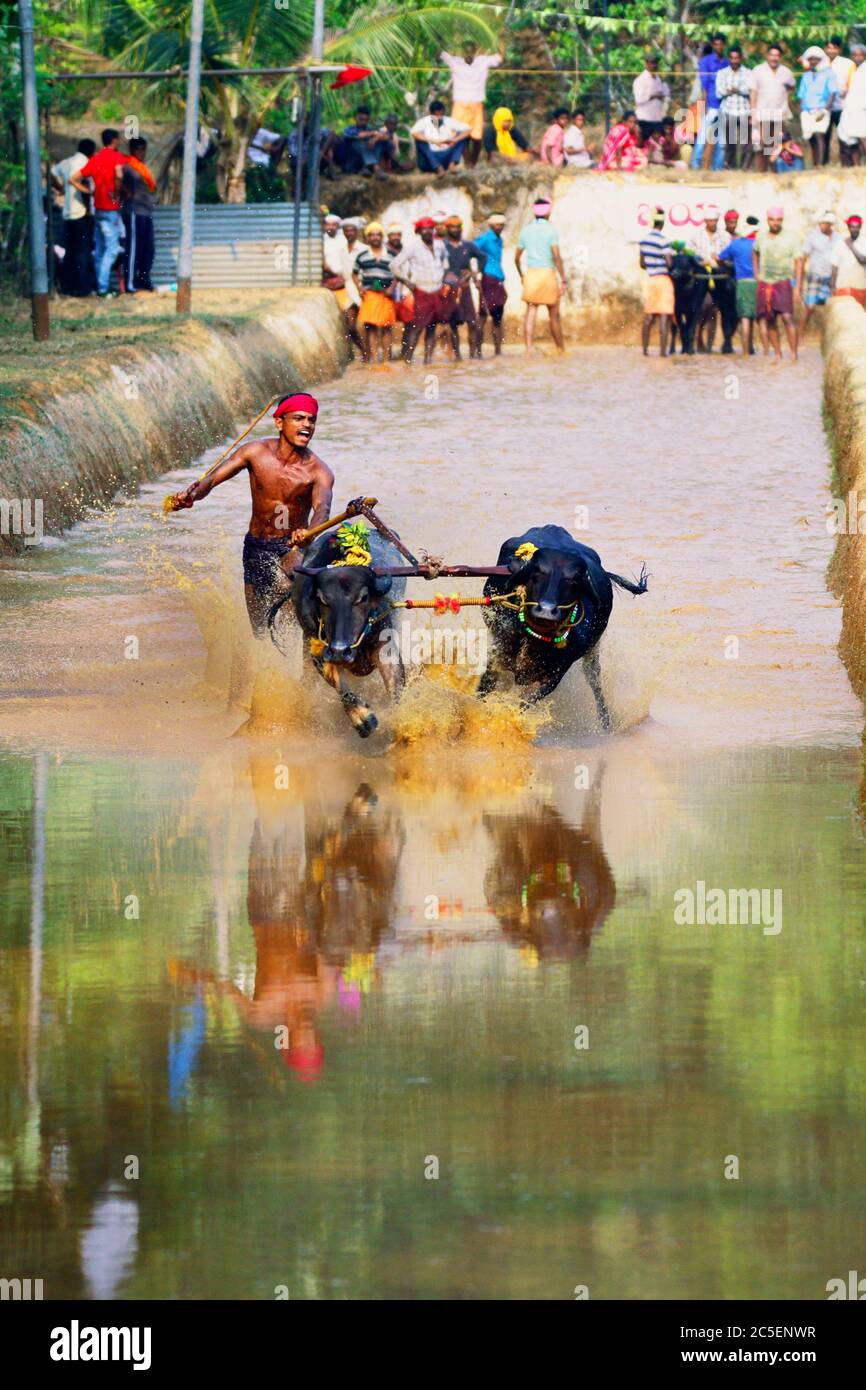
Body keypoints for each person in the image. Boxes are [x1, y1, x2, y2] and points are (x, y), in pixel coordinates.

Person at [168, 393, 334, 637]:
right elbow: (213, 479)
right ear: (280, 422)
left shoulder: (319, 472)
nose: (307, 425)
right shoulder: (254, 452)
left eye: (311, 420)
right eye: (299, 418)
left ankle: (303, 657)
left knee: (287, 603)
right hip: (255, 545)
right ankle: (265, 667)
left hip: (292, 547)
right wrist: (192, 495)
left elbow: (323, 509)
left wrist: (309, 533)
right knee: (258, 627)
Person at [69, 128, 129, 298]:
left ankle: (100, 285)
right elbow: (118, 174)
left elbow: (72, 179)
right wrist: (117, 193)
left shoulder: (95, 159)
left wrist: (89, 192)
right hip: (111, 211)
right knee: (111, 250)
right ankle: (103, 288)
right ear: (115, 141)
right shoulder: (116, 157)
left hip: (98, 210)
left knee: (101, 250)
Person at [390, 216, 449, 364]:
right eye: (424, 229)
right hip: (421, 291)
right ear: (419, 231)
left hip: (437, 290)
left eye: (430, 228)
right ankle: (408, 361)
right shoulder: (413, 247)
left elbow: (445, 262)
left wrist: (444, 279)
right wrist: (406, 281)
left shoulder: (440, 245)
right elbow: (394, 265)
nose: (428, 231)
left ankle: (427, 361)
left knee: (432, 327)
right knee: (417, 328)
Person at [353, 221, 413, 364]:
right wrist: (360, 289)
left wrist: (391, 289)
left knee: (386, 328)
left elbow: (397, 274)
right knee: (371, 328)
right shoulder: (362, 256)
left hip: (386, 295)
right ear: (367, 238)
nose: (375, 237)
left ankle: (385, 360)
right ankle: (373, 359)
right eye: (372, 235)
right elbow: (354, 274)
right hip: (370, 295)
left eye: (378, 235)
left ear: (382, 237)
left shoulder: (391, 255)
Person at [439, 40, 503, 168]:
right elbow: (439, 54)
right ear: (462, 52)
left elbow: (501, 57)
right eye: (466, 51)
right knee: (460, 136)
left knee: (477, 138)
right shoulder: (455, 61)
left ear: (474, 51)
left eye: (470, 50)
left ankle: (473, 162)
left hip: (476, 104)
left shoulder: (483, 60)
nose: (468, 54)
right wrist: (438, 39)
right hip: (460, 104)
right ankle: (468, 164)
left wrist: (500, 38)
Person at [514, 196, 565, 354]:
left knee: (530, 312)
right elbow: (556, 256)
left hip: (531, 274)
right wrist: (563, 278)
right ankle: (560, 349)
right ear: (548, 212)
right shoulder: (551, 230)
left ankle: (528, 349)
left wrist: (521, 274)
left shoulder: (526, 230)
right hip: (548, 274)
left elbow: (516, 257)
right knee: (554, 314)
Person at [50, 137, 96, 297]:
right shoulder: (86, 164)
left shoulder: (67, 162)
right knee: (83, 252)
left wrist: (60, 188)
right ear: (91, 152)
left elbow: (51, 174)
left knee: (70, 252)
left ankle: (67, 287)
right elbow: (88, 188)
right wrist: (90, 210)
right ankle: (82, 288)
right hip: (82, 213)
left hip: (67, 214)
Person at [752, 206, 799, 361]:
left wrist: (797, 286)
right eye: (772, 220)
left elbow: (799, 261)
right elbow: (755, 252)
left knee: (787, 318)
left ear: (782, 220)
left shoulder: (791, 237)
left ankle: (793, 355)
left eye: (778, 220)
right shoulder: (761, 236)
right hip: (765, 282)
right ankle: (778, 354)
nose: (775, 223)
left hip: (783, 281)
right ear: (768, 221)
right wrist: (757, 274)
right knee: (769, 318)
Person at [688, 205, 735, 352]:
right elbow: (691, 255)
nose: (712, 223)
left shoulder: (725, 237)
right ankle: (693, 342)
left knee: (722, 309)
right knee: (699, 308)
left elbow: (730, 258)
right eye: (710, 220)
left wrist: (720, 260)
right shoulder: (696, 236)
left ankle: (722, 344)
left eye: (715, 220)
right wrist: (700, 262)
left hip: (720, 274)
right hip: (702, 274)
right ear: (705, 221)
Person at [439, 214, 486, 359]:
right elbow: (435, 264)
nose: (455, 230)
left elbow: (482, 257)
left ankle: (474, 355)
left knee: (472, 322)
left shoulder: (468, 245)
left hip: (465, 289)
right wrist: (445, 276)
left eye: (457, 227)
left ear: (461, 228)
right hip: (449, 290)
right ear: (447, 229)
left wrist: (475, 272)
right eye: (452, 227)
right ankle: (457, 355)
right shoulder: (442, 247)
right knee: (453, 325)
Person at [119, 137, 156, 294]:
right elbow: (115, 179)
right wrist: (125, 191)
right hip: (134, 211)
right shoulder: (127, 166)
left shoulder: (143, 168)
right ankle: (129, 283)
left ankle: (144, 279)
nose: (141, 152)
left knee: (148, 248)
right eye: (138, 149)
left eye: (143, 149)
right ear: (132, 150)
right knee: (133, 248)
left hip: (146, 211)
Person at [750, 43, 795, 171]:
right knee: (762, 144)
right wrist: (753, 113)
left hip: (779, 114)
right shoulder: (758, 71)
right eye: (772, 55)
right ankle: (761, 173)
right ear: (767, 56)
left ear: (780, 57)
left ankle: (775, 173)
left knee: (777, 145)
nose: (774, 58)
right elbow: (753, 93)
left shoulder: (786, 72)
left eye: (777, 55)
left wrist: (787, 92)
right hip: (762, 113)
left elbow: (792, 87)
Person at [719, 215, 759, 354]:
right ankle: (752, 347)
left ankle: (746, 353)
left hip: (742, 283)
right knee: (753, 317)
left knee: (744, 318)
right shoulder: (758, 243)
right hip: (758, 283)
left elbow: (720, 257)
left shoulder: (735, 244)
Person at [798, 212, 842, 335]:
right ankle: (800, 335)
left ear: (830, 225)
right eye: (821, 223)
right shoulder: (812, 237)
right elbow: (803, 257)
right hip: (815, 276)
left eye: (825, 223)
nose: (822, 226)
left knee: (830, 309)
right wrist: (800, 282)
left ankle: (828, 337)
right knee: (809, 307)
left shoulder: (839, 239)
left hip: (831, 278)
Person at [638, 206, 672, 357]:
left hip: (651, 280)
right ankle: (663, 353)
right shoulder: (663, 241)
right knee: (664, 317)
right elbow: (669, 262)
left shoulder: (644, 241)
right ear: (663, 224)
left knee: (649, 317)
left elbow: (642, 264)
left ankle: (645, 351)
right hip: (664, 280)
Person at [474, 212, 508, 355]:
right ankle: (477, 351)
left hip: (498, 278)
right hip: (488, 278)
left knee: (498, 315)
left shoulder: (499, 239)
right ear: (490, 225)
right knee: (483, 315)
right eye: (497, 225)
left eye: (502, 225)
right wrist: (475, 273)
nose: (499, 227)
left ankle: (498, 352)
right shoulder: (485, 239)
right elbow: (471, 250)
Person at [693, 33, 727, 170]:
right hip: (710, 105)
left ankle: (717, 167)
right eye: (716, 44)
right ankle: (696, 165)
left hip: (724, 106)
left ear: (724, 45)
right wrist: (705, 105)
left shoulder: (726, 62)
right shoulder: (706, 61)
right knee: (702, 138)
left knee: (721, 140)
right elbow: (704, 85)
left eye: (721, 44)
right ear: (713, 45)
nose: (719, 47)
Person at [715, 45, 753, 168]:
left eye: (737, 58)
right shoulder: (722, 73)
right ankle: (730, 168)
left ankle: (744, 169)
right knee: (730, 143)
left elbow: (749, 90)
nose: (734, 61)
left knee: (745, 143)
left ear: (740, 58)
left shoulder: (748, 73)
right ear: (729, 59)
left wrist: (734, 89)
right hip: (728, 111)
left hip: (744, 111)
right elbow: (719, 92)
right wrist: (737, 90)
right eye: (732, 58)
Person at [798, 50, 838, 165]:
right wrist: (802, 109)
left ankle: (820, 165)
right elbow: (801, 94)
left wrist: (825, 109)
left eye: (816, 59)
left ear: (821, 60)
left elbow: (832, 93)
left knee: (819, 135)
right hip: (807, 110)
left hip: (821, 109)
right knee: (811, 138)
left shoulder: (829, 73)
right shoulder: (806, 75)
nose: (813, 61)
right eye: (811, 59)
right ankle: (815, 164)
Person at [411, 101, 470, 174]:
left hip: (446, 157)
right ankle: (438, 167)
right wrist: (433, 140)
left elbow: (467, 129)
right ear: (431, 114)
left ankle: (452, 165)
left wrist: (455, 140)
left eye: (441, 115)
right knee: (420, 141)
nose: (439, 118)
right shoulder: (424, 122)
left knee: (462, 136)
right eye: (436, 115)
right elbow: (414, 133)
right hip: (429, 161)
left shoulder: (448, 121)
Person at [825, 37, 855, 164]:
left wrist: (846, 92)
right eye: (829, 47)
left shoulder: (848, 63)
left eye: (834, 48)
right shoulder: (820, 62)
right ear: (825, 49)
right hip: (825, 107)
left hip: (842, 106)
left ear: (839, 49)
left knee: (845, 136)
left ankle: (848, 165)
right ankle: (822, 165)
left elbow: (853, 83)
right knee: (823, 137)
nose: (831, 50)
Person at [386, 224, 414, 358]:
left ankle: (405, 353)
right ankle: (388, 354)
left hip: (405, 291)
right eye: (392, 235)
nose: (395, 237)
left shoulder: (407, 250)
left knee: (410, 322)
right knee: (387, 324)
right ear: (388, 236)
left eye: (398, 234)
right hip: (388, 292)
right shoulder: (383, 251)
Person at [633, 52, 670, 143]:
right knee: (643, 147)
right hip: (644, 120)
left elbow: (667, 93)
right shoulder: (640, 80)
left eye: (656, 62)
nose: (655, 65)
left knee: (657, 148)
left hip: (657, 119)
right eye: (652, 62)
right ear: (646, 63)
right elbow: (638, 99)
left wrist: (662, 91)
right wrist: (653, 96)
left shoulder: (659, 79)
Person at [838, 44, 866, 164]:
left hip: (862, 109)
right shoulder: (852, 69)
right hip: (851, 109)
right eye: (855, 55)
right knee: (850, 138)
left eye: (860, 54)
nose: (857, 57)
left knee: (863, 137)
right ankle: (856, 166)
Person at [340, 107, 387, 177]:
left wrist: (375, 139)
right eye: (361, 119)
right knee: (359, 143)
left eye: (366, 120)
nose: (363, 122)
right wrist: (373, 133)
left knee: (380, 144)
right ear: (356, 118)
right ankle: (376, 167)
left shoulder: (369, 129)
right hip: (352, 164)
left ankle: (367, 167)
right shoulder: (349, 129)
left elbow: (386, 137)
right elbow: (360, 135)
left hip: (365, 165)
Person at [833, 215, 866, 305]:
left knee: (858, 315)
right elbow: (835, 266)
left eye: (857, 227)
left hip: (859, 287)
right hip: (842, 286)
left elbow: (863, 260)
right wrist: (832, 286)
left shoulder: (864, 243)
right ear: (848, 227)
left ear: (860, 227)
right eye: (852, 226)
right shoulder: (839, 244)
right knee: (843, 316)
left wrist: (850, 246)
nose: (854, 229)